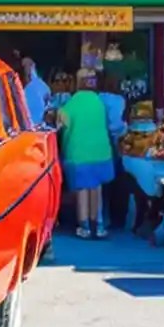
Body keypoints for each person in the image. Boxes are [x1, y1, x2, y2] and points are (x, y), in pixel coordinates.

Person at [57, 76, 116, 239]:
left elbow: (61, 123)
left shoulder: (71, 103)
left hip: (79, 153)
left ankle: (84, 227)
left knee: (82, 189)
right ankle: (98, 225)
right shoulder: (99, 101)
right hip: (101, 151)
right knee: (96, 187)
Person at [96, 74, 131, 230]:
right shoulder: (119, 100)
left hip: (98, 142)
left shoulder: (98, 98)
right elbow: (116, 125)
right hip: (114, 143)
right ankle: (118, 218)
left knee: (102, 183)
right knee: (117, 180)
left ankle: (102, 216)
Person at [20, 57, 51, 128]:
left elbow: (48, 107)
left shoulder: (43, 87)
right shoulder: (18, 88)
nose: (26, 70)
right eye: (23, 67)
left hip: (40, 128)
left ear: (33, 67)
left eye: (28, 66)